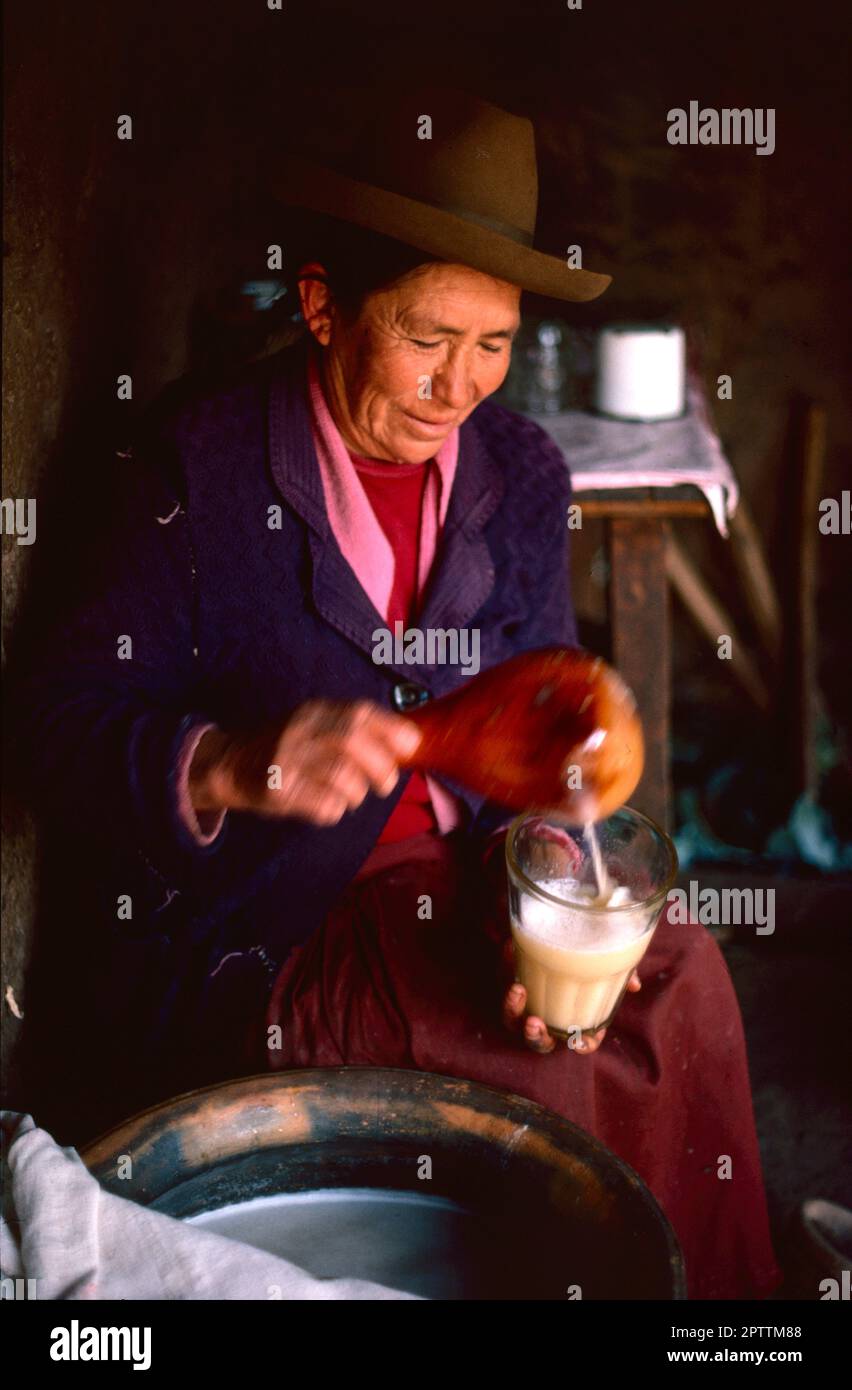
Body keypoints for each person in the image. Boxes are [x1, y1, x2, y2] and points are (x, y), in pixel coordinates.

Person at [9, 88, 780, 1299]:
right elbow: (51, 722)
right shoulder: (194, 467)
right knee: (529, 1080)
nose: (460, 384)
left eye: (493, 342)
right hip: (271, 930)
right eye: (427, 336)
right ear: (321, 304)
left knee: (679, 975)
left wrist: (550, 907)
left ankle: (716, 1312)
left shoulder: (520, 472)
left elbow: (538, 730)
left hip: (467, 885)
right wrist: (234, 762)